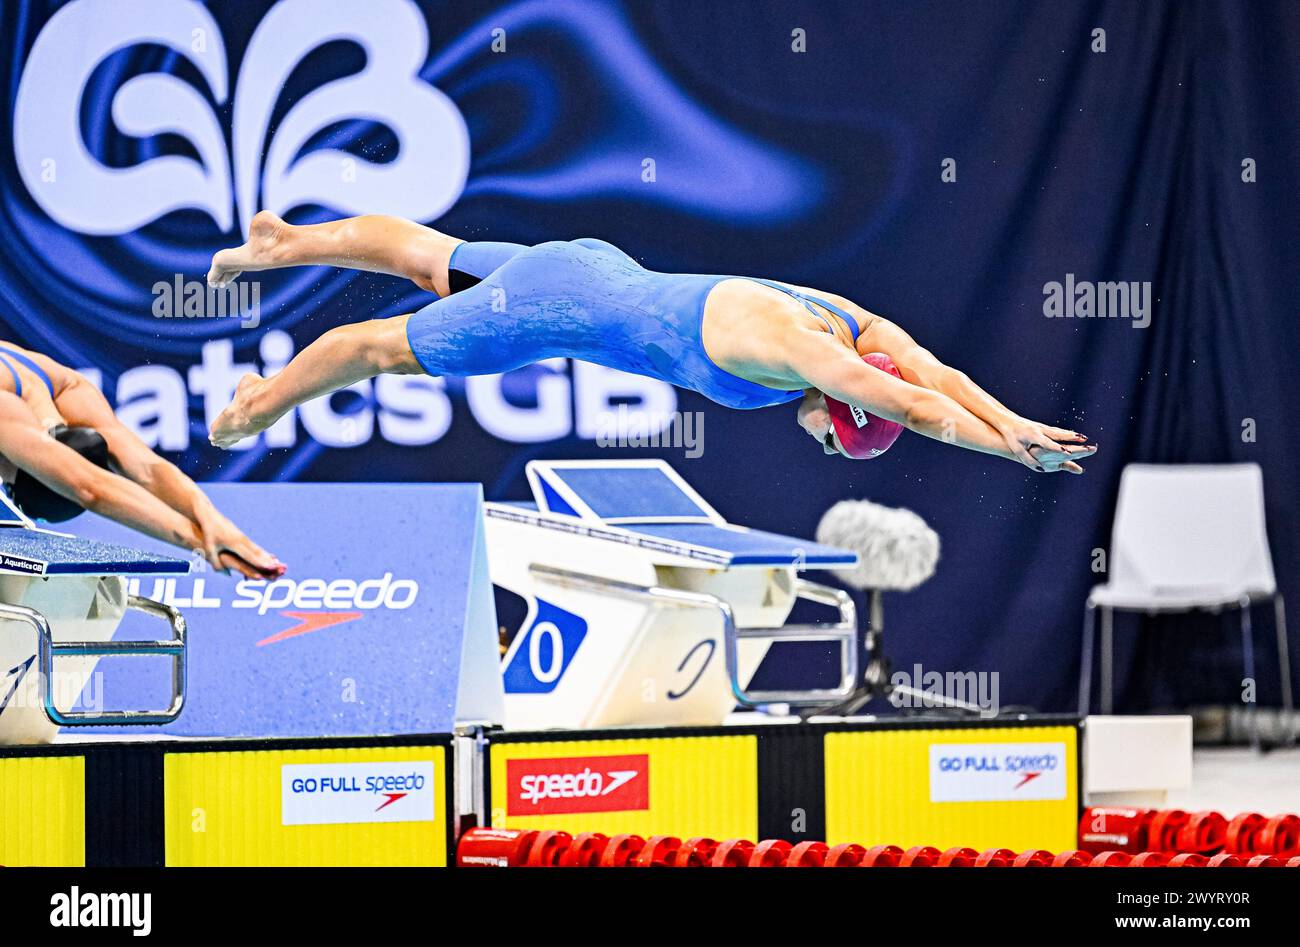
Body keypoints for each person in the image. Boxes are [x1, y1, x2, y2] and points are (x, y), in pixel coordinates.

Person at [206, 212, 1096, 474]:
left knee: (429, 258)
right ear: (844, 405)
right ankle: (255, 406)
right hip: (558, 310)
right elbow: (915, 403)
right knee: (374, 347)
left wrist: (1018, 418)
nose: (818, 437)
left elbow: (931, 375)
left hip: (588, 266)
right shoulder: (806, 354)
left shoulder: (856, 327)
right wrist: (1007, 449)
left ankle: (290, 241)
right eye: (835, 436)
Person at [0, 342, 284, 579]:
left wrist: (212, 522)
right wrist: (204, 541)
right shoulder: (61, 386)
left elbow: (141, 471)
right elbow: (90, 488)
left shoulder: (56, 391)